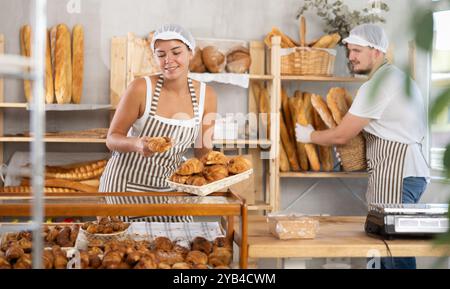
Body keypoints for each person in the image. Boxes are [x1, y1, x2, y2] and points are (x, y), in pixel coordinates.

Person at [295, 24, 430, 269]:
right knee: (390, 249)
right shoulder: (398, 78)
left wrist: (309, 136)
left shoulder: (376, 87)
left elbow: (342, 136)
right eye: (349, 51)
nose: (351, 57)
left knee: (392, 253)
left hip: (397, 175)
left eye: (357, 50)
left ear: (377, 51)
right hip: (409, 173)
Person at [99, 24, 217, 222]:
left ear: (190, 53)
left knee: (176, 248)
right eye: (161, 54)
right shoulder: (141, 88)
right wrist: (137, 144)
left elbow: (203, 150)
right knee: (123, 250)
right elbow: (112, 138)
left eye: (176, 52)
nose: (168, 61)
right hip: (125, 186)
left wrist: (219, 173)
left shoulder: (207, 96)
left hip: (171, 190)